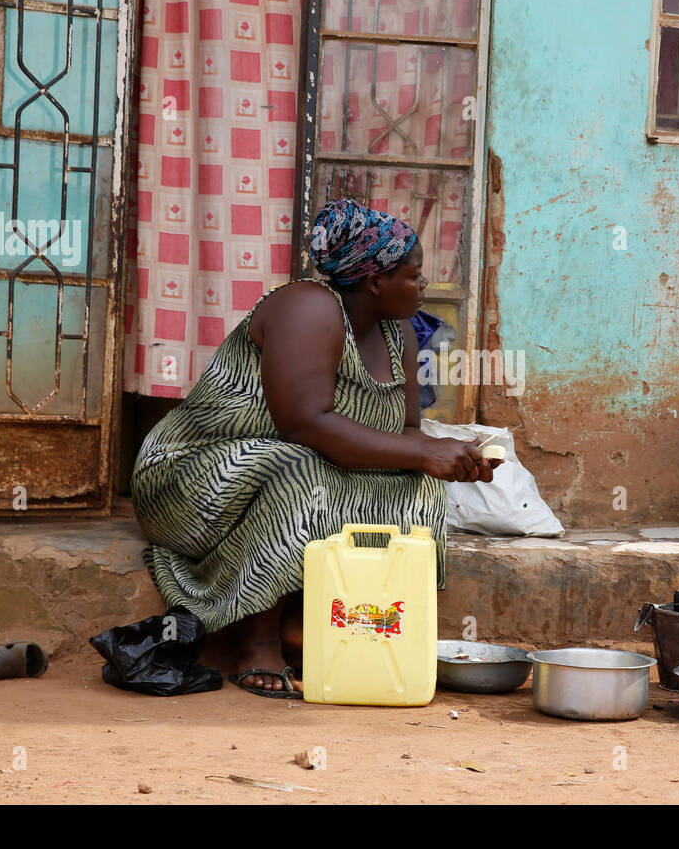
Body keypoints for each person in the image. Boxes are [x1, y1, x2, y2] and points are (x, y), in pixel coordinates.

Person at [130, 199, 497, 695]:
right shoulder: (307, 307)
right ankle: (257, 641)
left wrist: (452, 457)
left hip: (289, 465)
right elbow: (306, 425)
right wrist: (424, 451)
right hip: (190, 478)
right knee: (303, 469)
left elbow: (406, 431)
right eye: (414, 275)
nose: (423, 285)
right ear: (374, 282)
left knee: (418, 487)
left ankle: (326, 618)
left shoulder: (402, 334)